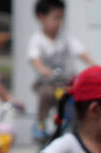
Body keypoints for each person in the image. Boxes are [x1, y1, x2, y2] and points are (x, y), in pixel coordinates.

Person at [28, 0, 93, 141]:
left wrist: (93, 65)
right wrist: (42, 69)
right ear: (41, 17)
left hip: (65, 81)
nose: (59, 22)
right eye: (55, 18)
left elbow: (80, 51)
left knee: (77, 98)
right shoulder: (37, 39)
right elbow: (34, 59)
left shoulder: (65, 36)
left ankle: (78, 129)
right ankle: (41, 123)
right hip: (48, 82)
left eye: (61, 18)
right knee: (45, 94)